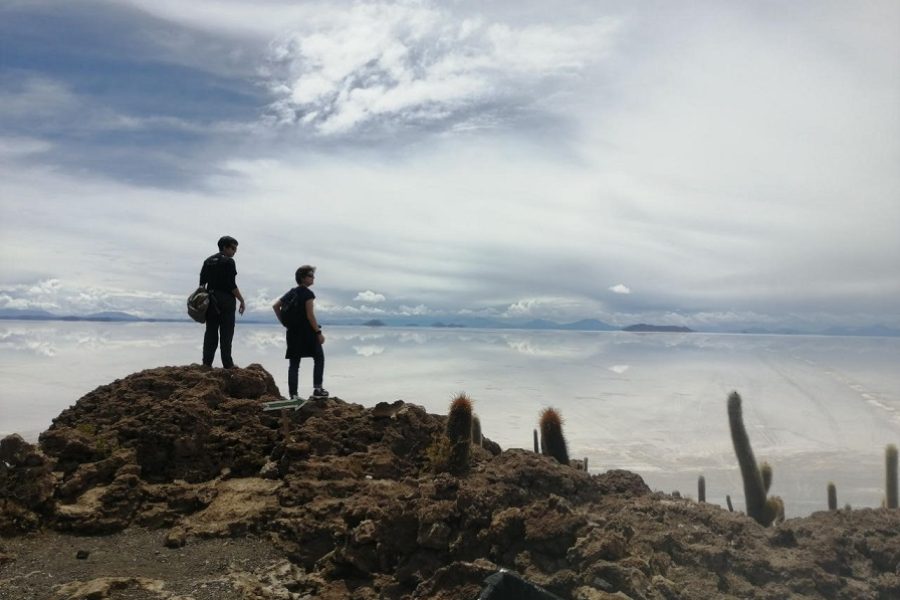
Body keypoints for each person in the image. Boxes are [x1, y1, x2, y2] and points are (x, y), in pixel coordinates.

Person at [272, 265, 328, 400]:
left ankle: (293, 395)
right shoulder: (308, 294)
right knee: (319, 357)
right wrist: (318, 332)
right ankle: (318, 389)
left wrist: (285, 323)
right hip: (307, 333)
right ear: (303, 278)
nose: (313, 278)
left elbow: (275, 306)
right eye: (310, 275)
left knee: (294, 364)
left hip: (292, 333)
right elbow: (310, 315)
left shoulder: (292, 292)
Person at [199, 235, 246, 368]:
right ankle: (228, 364)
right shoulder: (229, 262)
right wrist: (241, 300)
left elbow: (202, 284)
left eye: (235, 249)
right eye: (232, 248)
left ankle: (206, 364)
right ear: (224, 247)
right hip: (226, 300)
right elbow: (231, 284)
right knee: (226, 333)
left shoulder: (207, 261)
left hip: (211, 298)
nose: (234, 252)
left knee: (211, 332)